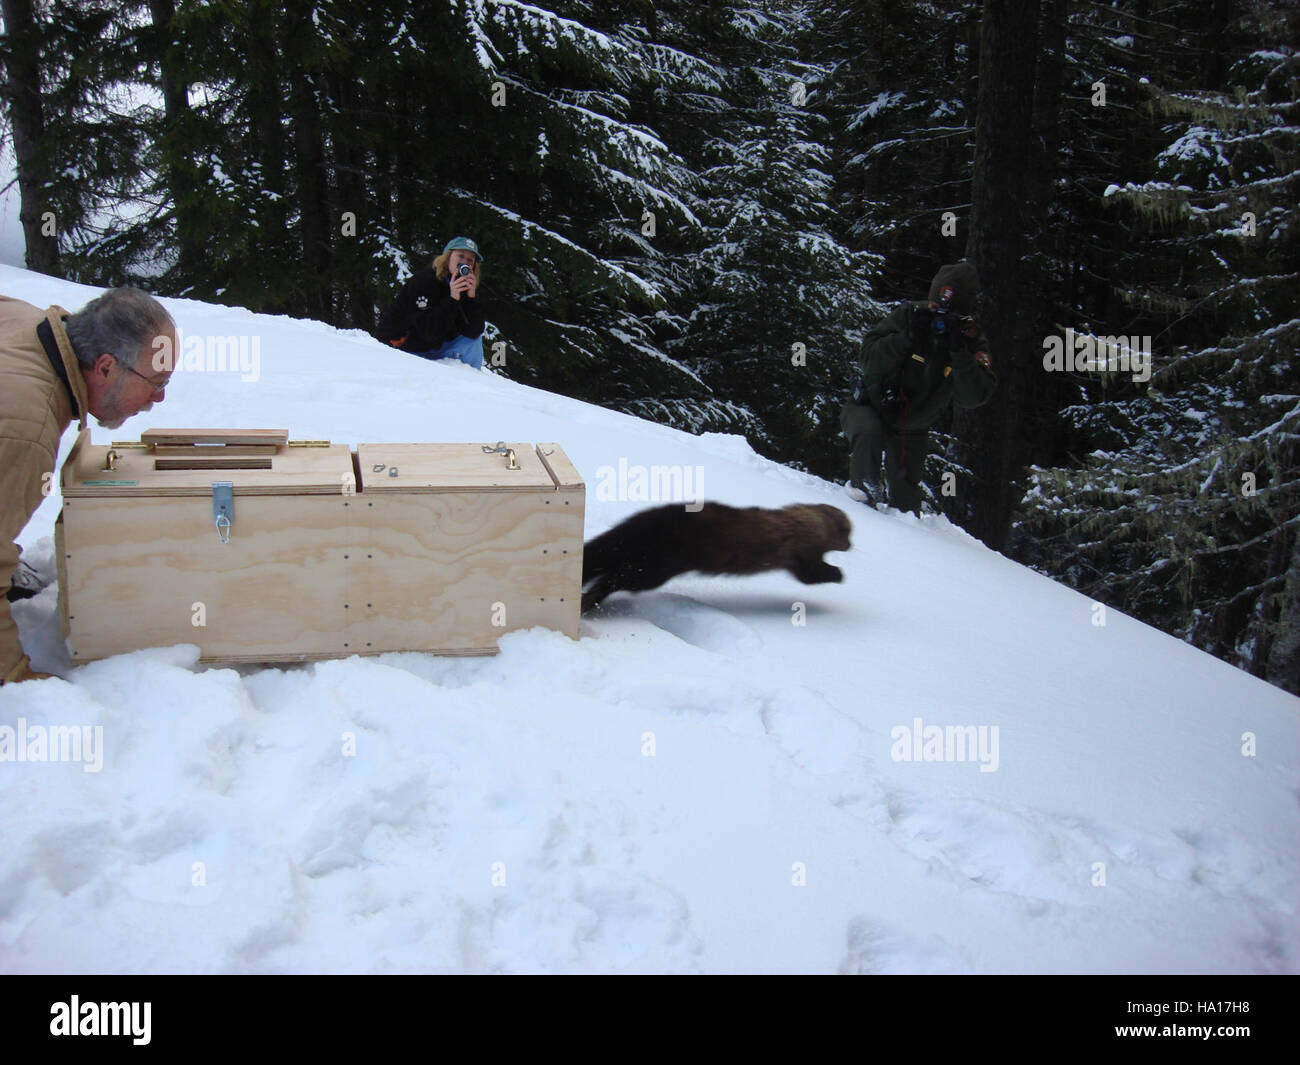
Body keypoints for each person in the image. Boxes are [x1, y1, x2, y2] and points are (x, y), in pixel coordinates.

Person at [0, 287, 177, 684]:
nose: (160, 397)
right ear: (105, 368)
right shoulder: (25, 430)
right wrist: (12, 676)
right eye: (155, 381)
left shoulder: (23, 319)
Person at [840, 262, 996, 514]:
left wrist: (959, 352)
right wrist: (907, 337)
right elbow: (868, 360)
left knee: (905, 507)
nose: (939, 317)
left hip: (912, 428)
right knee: (868, 437)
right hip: (870, 406)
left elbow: (974, 397)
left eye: (949, 314)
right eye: (935, 307)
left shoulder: (971, 339)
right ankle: (862, 502)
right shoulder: (910, 315)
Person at [375, 236, 486, 368]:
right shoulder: (424, 282)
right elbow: (428, 332)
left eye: (470, 260)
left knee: (473, 342)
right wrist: (452, 300)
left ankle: (469, 383)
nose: (464, 262)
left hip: (433, 347)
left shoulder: (462, 286)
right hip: (402, 347)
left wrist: (471, 298)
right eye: (460, 256)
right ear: (447, 257)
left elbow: (473, 331)